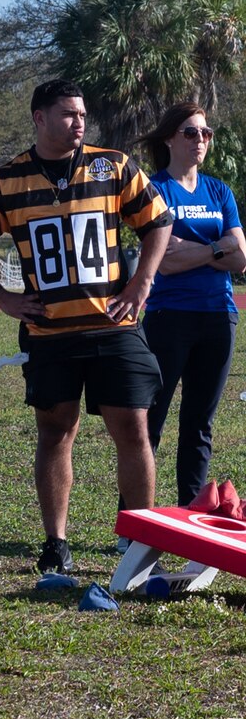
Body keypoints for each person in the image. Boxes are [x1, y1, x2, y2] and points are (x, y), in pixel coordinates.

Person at [0, 79, 173, 574]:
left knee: (133, 429)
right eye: (68, 114)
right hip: (50, 335)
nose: (79, 123)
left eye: (83, 115)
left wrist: (141, 284)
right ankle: (57, 541)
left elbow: (157, 222)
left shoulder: (111, 165)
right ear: (39, 117)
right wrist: (2, 297)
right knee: (55, 432)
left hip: (115, 327)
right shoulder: (6, 181)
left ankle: (137, 535)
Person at [135, 103, 245, 511]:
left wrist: (195, 249)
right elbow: (163, 259)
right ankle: (134, 518)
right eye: (190, 132)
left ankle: (189, 515)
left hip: (219, 316)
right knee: (150, 421)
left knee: (199, 424)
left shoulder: (220, 191)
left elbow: (241, 258)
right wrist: (218, 247)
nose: (200, 140)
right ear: (169, 139)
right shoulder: (155, 190)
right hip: (168, 317)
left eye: (205, 133)